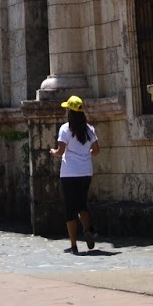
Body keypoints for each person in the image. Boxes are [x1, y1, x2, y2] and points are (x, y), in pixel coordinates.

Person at [50, 95, 99, 255]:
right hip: (85, 171)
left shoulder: (65, 129)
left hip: (69, 172)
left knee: (70, 208)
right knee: (82, 204)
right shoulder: (89, 129)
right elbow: (96, 150)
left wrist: (53, 152)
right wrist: (85, 153)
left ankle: (73, 245)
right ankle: (86, 229)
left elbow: (61, 151)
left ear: (69, 112)